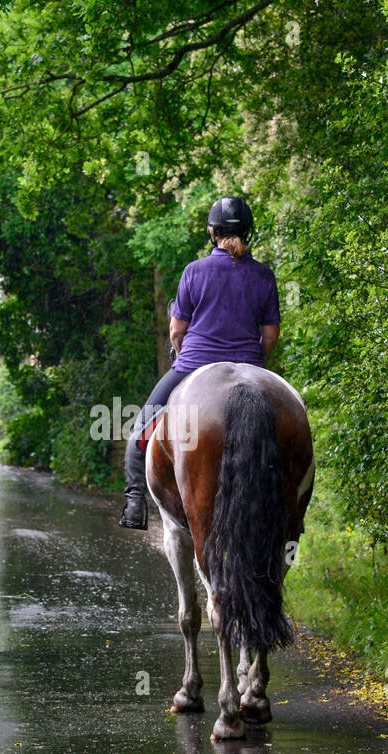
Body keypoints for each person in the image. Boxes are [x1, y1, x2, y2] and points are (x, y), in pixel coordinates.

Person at [118, 196, 281, 529]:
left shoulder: (193, 272)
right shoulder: (264, 276)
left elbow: (177, 330)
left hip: (193, 364)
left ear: (212, 232)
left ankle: (134, 502)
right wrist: (254, 361)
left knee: (140, 429)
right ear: (249, 231)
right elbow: (270, 337)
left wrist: (180, 352)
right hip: (250, 365)